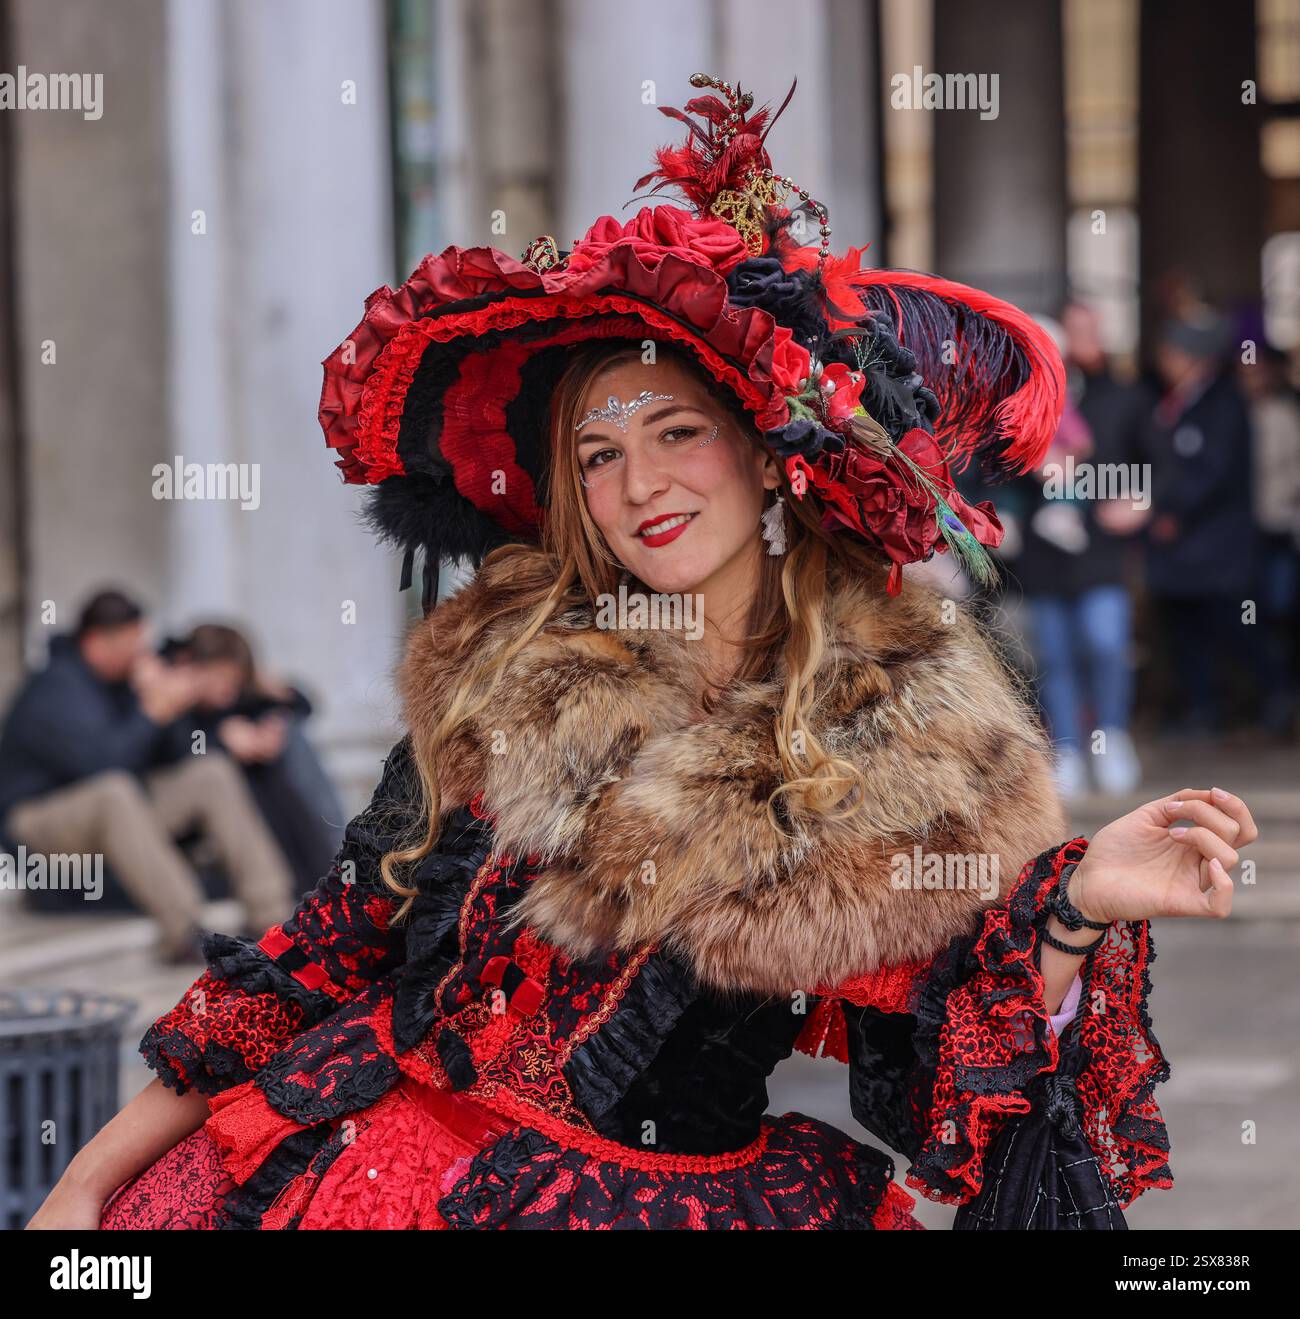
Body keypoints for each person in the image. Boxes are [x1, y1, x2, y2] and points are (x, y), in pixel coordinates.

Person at [32, 73, 1254, 1232]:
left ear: (773, 455)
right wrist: (86, 1184)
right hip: (360, 1164)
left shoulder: (915, 735)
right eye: (599, 455)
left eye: (678, 430)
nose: (638, 484)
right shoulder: (507, 666)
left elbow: (936, 1078)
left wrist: (1079, 905)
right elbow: (333, 944)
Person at [0, 590, 295, 961]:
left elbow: (175, 756)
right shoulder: (56, 687)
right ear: (97, 641)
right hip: (33, 824)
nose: (143, 652)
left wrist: (170, 706)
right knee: (114, 791)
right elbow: (101, 766)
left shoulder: (125, 681)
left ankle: (272, 917)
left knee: (211, 773)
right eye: (132, 643)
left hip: (115, 809)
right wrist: (151, 713)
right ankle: (184, 931)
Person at [1009, 304, 1150, 797]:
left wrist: (1140, 499)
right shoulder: (1021, 400)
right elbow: (993, 467)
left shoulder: (1124, 398)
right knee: (1055, 654)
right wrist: (1032, 468)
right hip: (1043, 551)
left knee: (1107, 640)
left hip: (1101, 550)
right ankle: (1066, 745)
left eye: (1088, 331)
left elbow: (1155, 463)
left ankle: (1109, 735)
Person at [1140, 313, 1259, 737]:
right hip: (1182, 553)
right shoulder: (1174, 402)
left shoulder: (1223, 404)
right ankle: (1197, 709)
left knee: (1229, 631)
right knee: (1184, 634)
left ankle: (1243, 707)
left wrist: (1167, 511)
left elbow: (1211, 473)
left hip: (1212, 547)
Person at [164, 623, 346, 894]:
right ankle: (317, 875)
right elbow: (176, 750)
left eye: (234, 683)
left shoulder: (226, 700)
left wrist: (269, 716)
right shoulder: (173, 691)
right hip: (181, 805)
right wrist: (221, 742)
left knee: (286, 742)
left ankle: (326, 868)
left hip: (240, 795)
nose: (228, 692)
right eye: (222, 680)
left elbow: (303, 705)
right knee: (262, 777)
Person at [1236, 343, 1300, 736]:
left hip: (1276, 529)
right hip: (1245, 535)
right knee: (1249, 619)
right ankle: (1267, 700)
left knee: (1276, 615)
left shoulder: (1282, 416)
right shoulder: (1235, 415)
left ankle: (1280, 702)